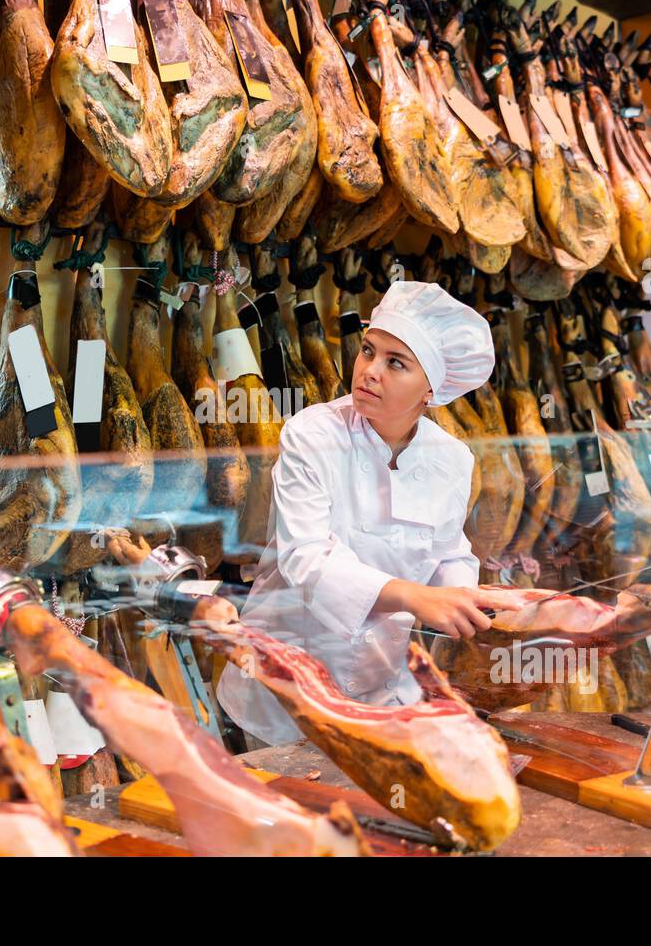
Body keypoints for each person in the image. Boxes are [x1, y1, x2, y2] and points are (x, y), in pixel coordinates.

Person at [217, 280, 532, 746]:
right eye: (368, 351)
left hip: (384, 692)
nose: (369, 371)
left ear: (431, 388)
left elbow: (447, 553)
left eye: (395, 363)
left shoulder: (452, 459)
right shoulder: (312, 433)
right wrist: (414, 598)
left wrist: (467, 599)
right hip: (284, 693)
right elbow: (305, 558)